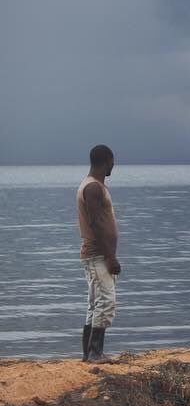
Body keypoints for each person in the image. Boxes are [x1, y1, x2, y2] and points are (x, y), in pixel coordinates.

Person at [76, 144, 121, 363]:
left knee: (95, 303)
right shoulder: (93, 188)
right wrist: (110, 257)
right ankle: (95, 353)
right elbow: (95, 224)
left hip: (95, 254)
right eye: (112, 161)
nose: (114, 165)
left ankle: (88, 354)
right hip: (97, 255)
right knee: (106, 302)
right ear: (106, 160)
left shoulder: (93, 185)